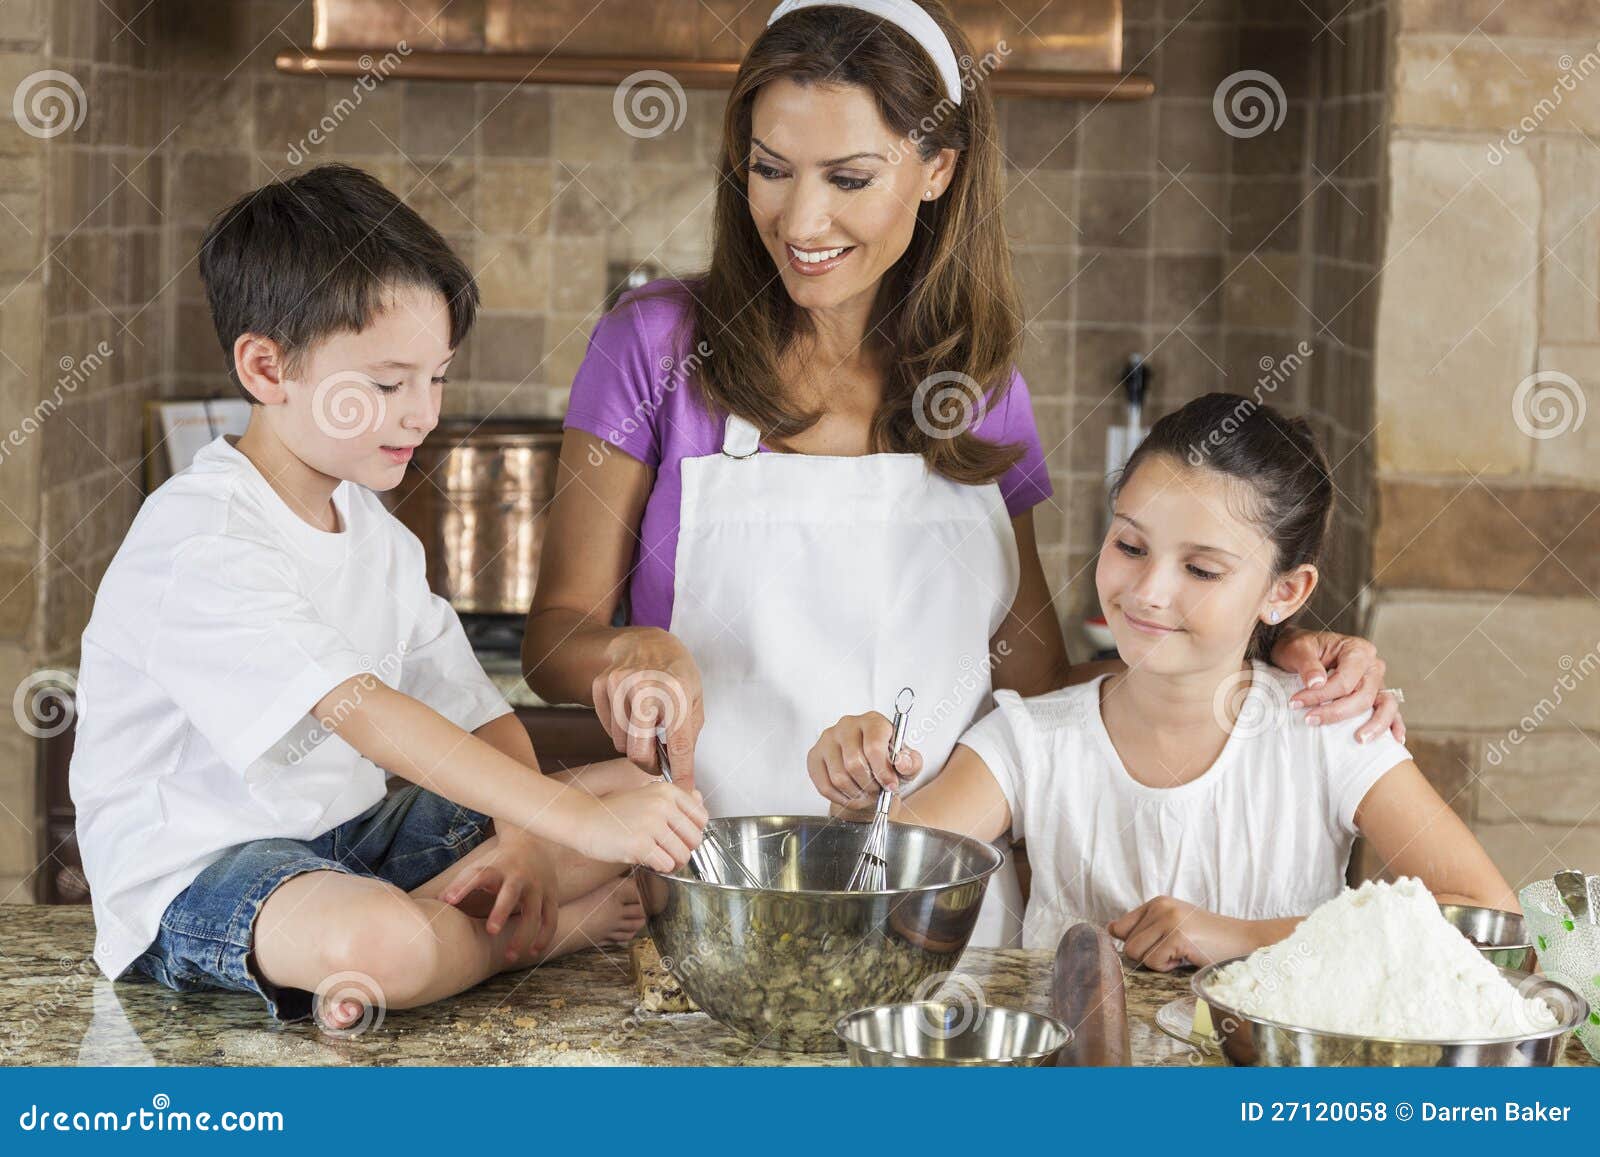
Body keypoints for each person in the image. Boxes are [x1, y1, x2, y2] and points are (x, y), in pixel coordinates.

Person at [524, 0, 1402, 946]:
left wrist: (1269, 657)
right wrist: (628, 655)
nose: (800, 218)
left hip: (947, 934)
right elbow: (552, 640)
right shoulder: (655, 345)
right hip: (711, 908)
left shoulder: (976, 384)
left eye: (849, 177)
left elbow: (1039, 688)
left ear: (939, 168)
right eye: (770, 170)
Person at [70, 165, 706, 1030]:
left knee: (645, 796)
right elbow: (366, 712)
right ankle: (523, 934)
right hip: (203, 875)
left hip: (354, 840)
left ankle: (452, 921)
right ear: (267, 367)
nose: (422, 414)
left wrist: (523, 838)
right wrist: (570, 833)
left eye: (436, 378)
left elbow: (479, 718)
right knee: (393, 939)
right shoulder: (202, 533)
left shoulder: (375, 534)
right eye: (385, 383)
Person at [812, 393, 1513, 966]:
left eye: (1201, 569)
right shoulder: (1030, 741)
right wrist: (858, 791)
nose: (1147, 592)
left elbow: (1492, 922)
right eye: (1130, 544)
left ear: (1285, 591)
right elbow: (873, 880)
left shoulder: (1329, 732)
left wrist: (1241, 938)